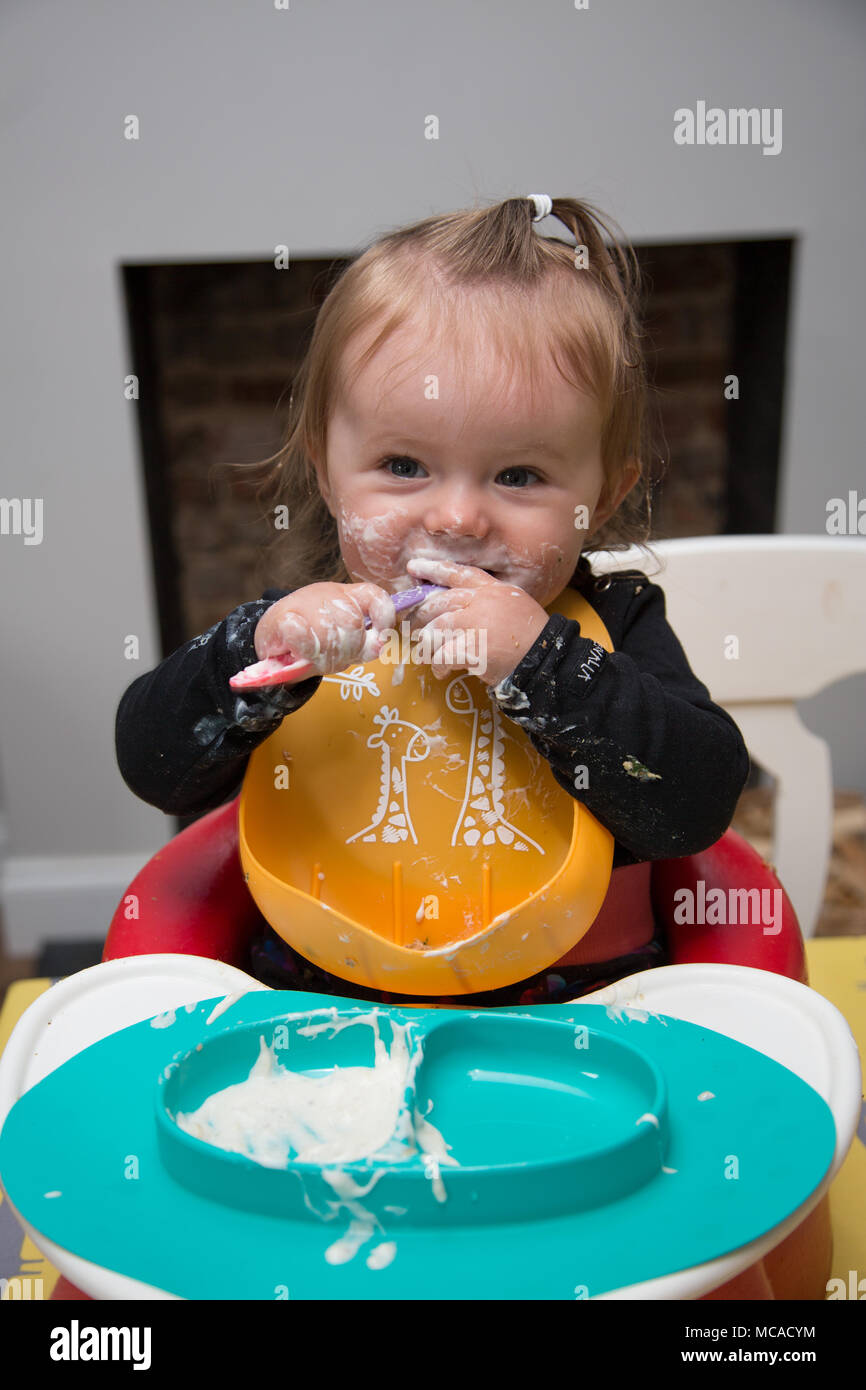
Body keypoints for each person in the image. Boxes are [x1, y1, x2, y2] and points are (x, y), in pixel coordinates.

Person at [116, 193, 750, 1007]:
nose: (456, 517)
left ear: (605, 491)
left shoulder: (614, 627)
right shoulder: (303, 633)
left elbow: (695, 805)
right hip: (323, 1017)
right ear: (324, 465)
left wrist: (543, 661)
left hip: (575, 1023)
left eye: (518, 476)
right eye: (405, 465)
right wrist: (253, 653)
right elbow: (151, 764)